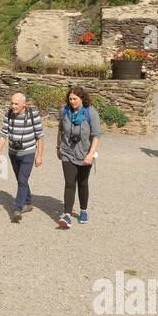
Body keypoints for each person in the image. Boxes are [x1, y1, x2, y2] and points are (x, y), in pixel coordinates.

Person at [56, 86, 101, 228]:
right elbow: (60, 130)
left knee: (82, 182)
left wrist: (90, 154)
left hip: (84, 153)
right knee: (69, 183)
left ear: (82, 98)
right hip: (67, 152)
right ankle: (67, 215)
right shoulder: (64, 111)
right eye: (70, 99)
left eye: (75, 99)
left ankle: (83, 211)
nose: (72, 101)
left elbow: (96, 135)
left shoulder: (91, 113)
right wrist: (58, 147)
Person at [0, 92, 43, 219]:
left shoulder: (34, 115)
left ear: (24, 104)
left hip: (28, 152)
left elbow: (40, 137)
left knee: (22, 179)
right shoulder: (9, 115)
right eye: (12, 103)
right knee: (22, 180)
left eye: (16, 104)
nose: (13, 106)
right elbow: (3, 134)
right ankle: (28, 202)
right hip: (13, 153)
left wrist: (39, 156)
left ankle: (17, 208)